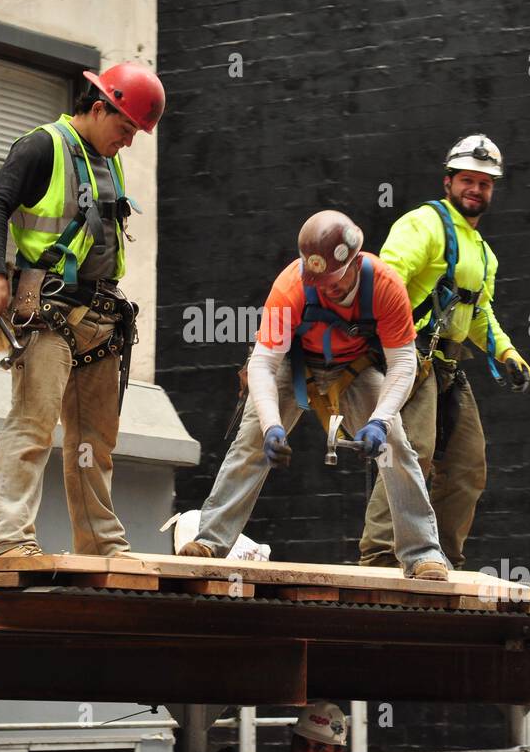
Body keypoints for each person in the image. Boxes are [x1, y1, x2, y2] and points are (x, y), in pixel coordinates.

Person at [178, 210, 450, 580]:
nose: (326, 289)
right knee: (252, 441)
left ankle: (422, 554)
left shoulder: (385, 285)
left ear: (355, 262)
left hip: (353, 369)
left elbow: (402, 363)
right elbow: (263, 362)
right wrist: (273, 426)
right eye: (318, 282)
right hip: (296, 364)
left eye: (335, 282)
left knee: (397, 448)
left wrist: (379, 422)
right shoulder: (291, 284)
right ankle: (211, 540)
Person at [0, 63, 165, 558]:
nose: (128, 142)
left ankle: (100, 542)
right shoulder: (41, 146)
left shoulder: (106, 157)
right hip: (48, 310)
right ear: (99, 108)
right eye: (126, 129)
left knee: (94, 441)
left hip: (100, 315)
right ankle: (10, 539)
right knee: (33, 424)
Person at [358, 134, 530, 570]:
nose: (476, 189)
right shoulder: (425, 224)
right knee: (408, 452)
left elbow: (478, 313)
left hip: (450, 364)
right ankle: (380, 556)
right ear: (448, 181)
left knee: (468, 466)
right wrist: (392, 351)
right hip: (412, 355)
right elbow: (386, 281)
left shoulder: (483, 252)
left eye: (485, 183)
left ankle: (444, 558)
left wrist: (507, 353)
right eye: (468, 180)